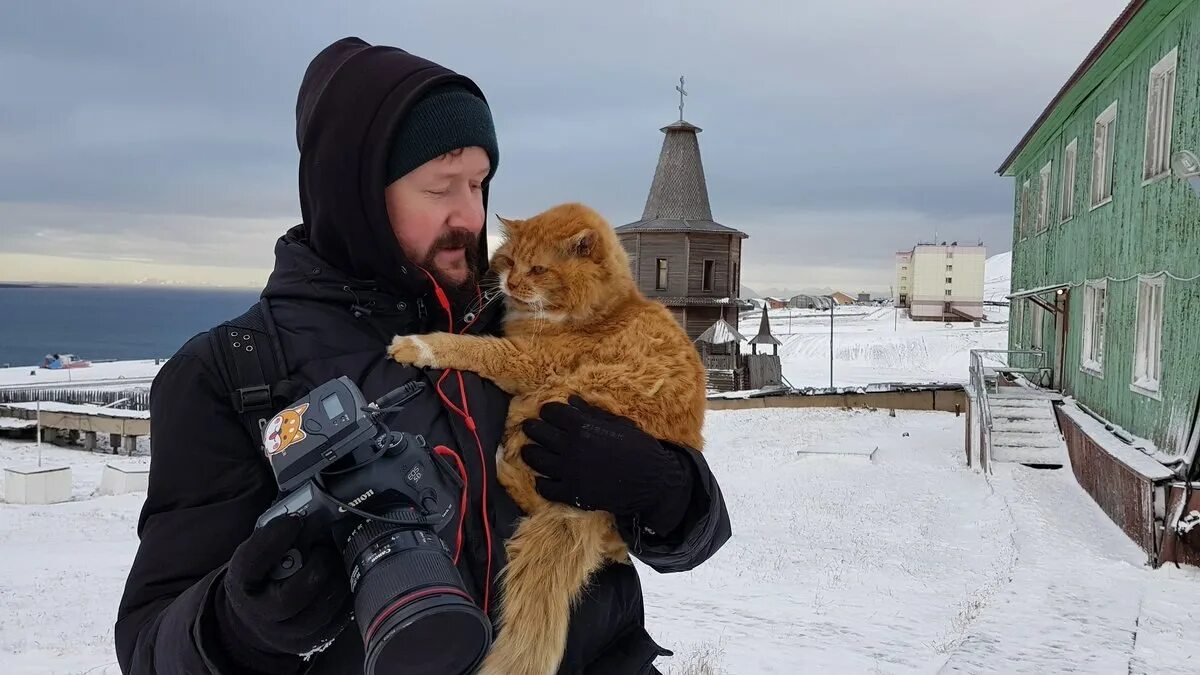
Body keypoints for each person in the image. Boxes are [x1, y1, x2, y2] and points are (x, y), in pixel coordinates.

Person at [115, 37, 730, 675]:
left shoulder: (532, 326)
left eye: (479, 182)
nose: (470, 214)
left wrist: (665, 488)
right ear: (355, 193)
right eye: (441, 187)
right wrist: (238, 623)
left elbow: (693, 540)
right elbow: (148, 647)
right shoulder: (232, 374)